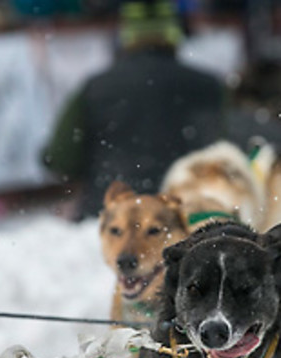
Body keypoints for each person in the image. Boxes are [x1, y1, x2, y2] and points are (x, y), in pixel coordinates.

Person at [41, 0, 228, 219]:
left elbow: (59, 159)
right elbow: (228, 148)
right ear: (174, 31)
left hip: (110, 215)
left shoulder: (95, 87)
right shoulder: (209, 85)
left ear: (125, 34)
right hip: (185, 214)